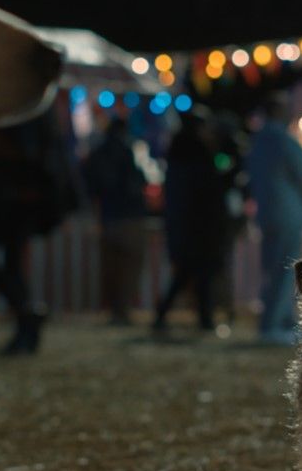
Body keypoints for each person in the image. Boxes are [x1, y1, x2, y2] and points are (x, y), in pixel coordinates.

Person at [0, 120, 61, 355]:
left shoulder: (19, 162)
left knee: (3, 263)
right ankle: (26, 316)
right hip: (9, 207)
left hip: (11, 209)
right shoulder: (11, 162)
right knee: (4, 264)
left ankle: (26, 316)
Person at [247, 93, 302, 345]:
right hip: (287, 214)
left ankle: (278, 320)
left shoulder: (259, 141)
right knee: (284, 269)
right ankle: (275, 323)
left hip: (268, 212)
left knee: (274, 267)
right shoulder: (282, 140)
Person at [153, 110, 231, 335]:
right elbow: (207, 194)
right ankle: (204, 319)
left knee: (186, 273)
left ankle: (171, 316)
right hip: (199, 227)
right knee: (199, 273)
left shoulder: (178, 156)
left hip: (186, 225)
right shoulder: (198, 158)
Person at [81, 116, 149, 325]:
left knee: (111, 268)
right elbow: (140, 181)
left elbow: (89, 186)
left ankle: (114, 311)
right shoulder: (132, 151)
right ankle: (123, 311)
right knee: (129, 269)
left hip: (108, 216)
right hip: (131, 216)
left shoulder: (97, 154)